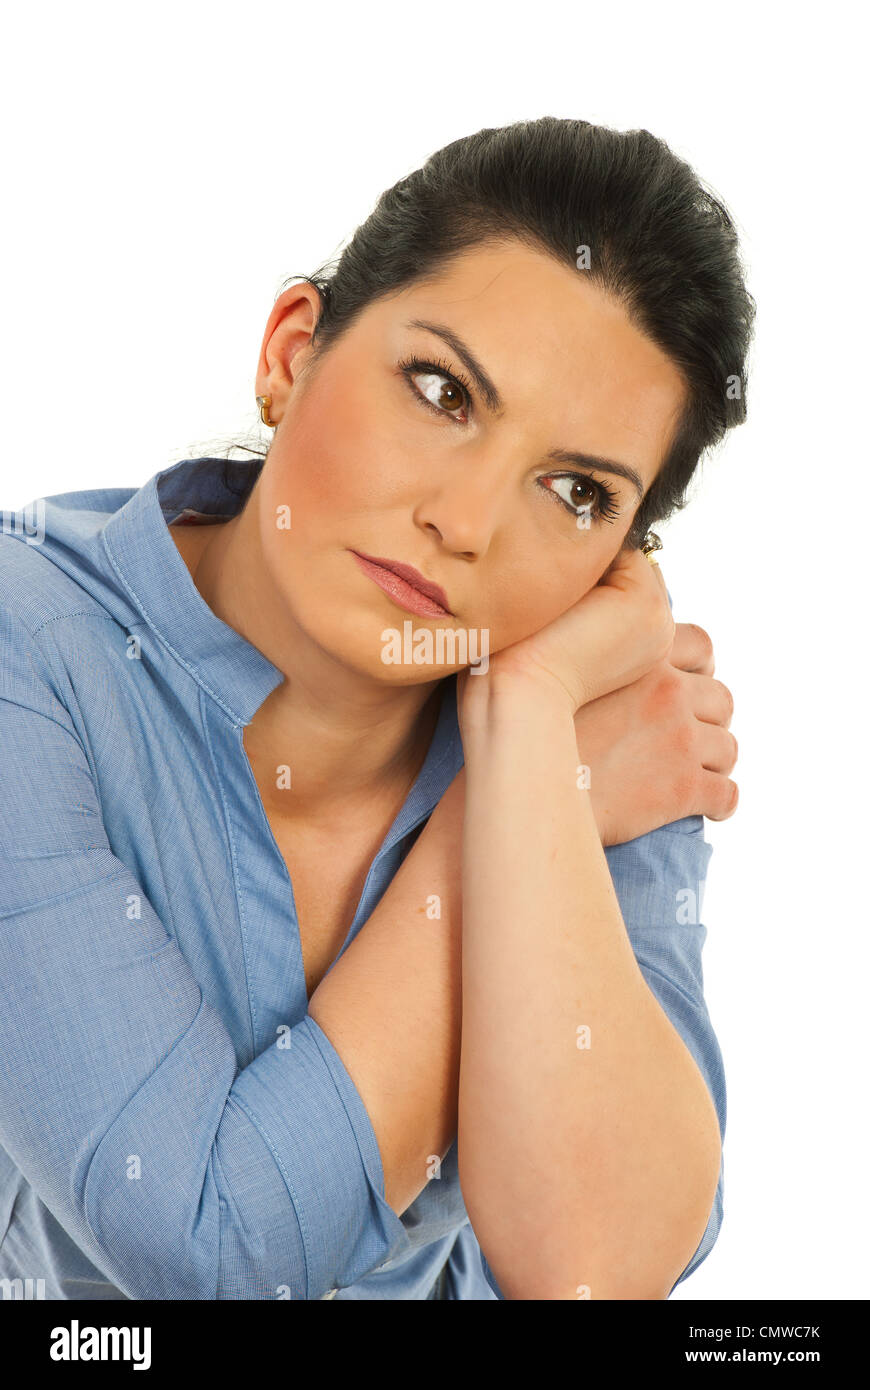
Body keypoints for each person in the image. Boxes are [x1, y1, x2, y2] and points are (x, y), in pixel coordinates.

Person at [0, 115, 752, 1300]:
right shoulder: (26, 639)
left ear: (617, 559)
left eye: (574, 491)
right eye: (443, 390)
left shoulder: (587, 699)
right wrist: (518, 812)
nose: (468, 521)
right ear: (292, 351)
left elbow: (594, 1270)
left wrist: (531, 718)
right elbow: (208, 1249)